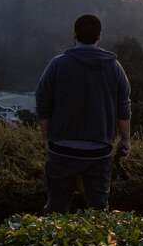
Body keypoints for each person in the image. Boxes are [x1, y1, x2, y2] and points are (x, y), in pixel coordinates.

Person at [35, 14, 132, 213]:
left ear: (74, 35)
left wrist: (45, 138)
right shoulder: (114, 67)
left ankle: (51, 242)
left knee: (56, 208)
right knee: (98, 209)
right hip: (100, 151)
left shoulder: (57, 64)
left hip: (61, 149)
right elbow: (124, 107)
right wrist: (125, 140)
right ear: (99, 36)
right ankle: (97, 243)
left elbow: (43, 102)